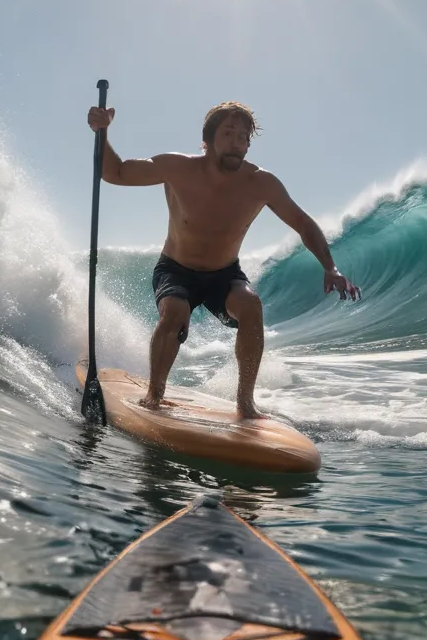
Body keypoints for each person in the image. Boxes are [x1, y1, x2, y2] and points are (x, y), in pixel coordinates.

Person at [86, 100, 361, 419]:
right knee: (175, 312)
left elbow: (302, 222)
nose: (237, 142)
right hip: (175, 270)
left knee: (251, 306)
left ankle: (245, 404)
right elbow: (116, 172)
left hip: (224, 274)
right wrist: (102, 132)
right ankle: (154, 395)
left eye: (244, 137)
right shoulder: (177, 167)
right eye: (229, 133)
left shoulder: (261, 183)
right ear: (207, 140)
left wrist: (330, 267)